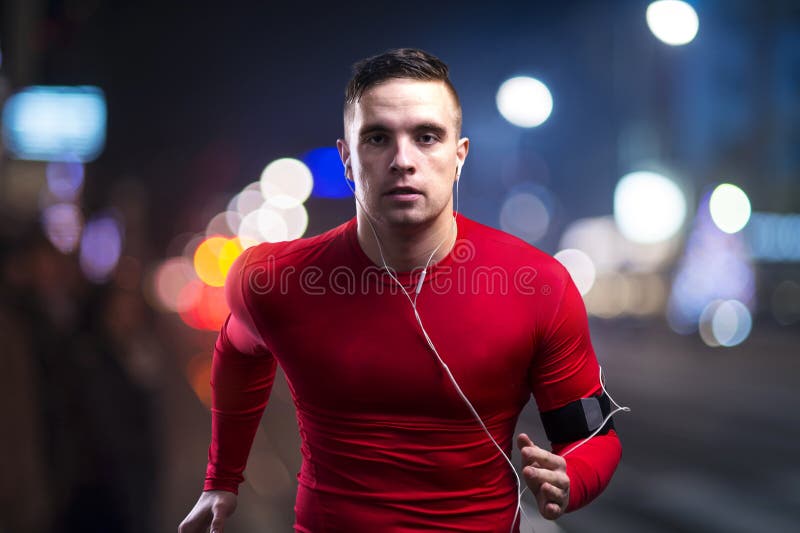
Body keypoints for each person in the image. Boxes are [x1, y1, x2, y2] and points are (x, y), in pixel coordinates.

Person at [179, 48, 622, 533]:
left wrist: (572, 476)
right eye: (377, 138)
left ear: (459, 155)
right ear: (347, 158)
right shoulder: (273, 279)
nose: (402, 161)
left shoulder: (538, 286)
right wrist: (222, 477)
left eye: (427, 137)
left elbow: (592, 435)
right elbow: (237, 350)